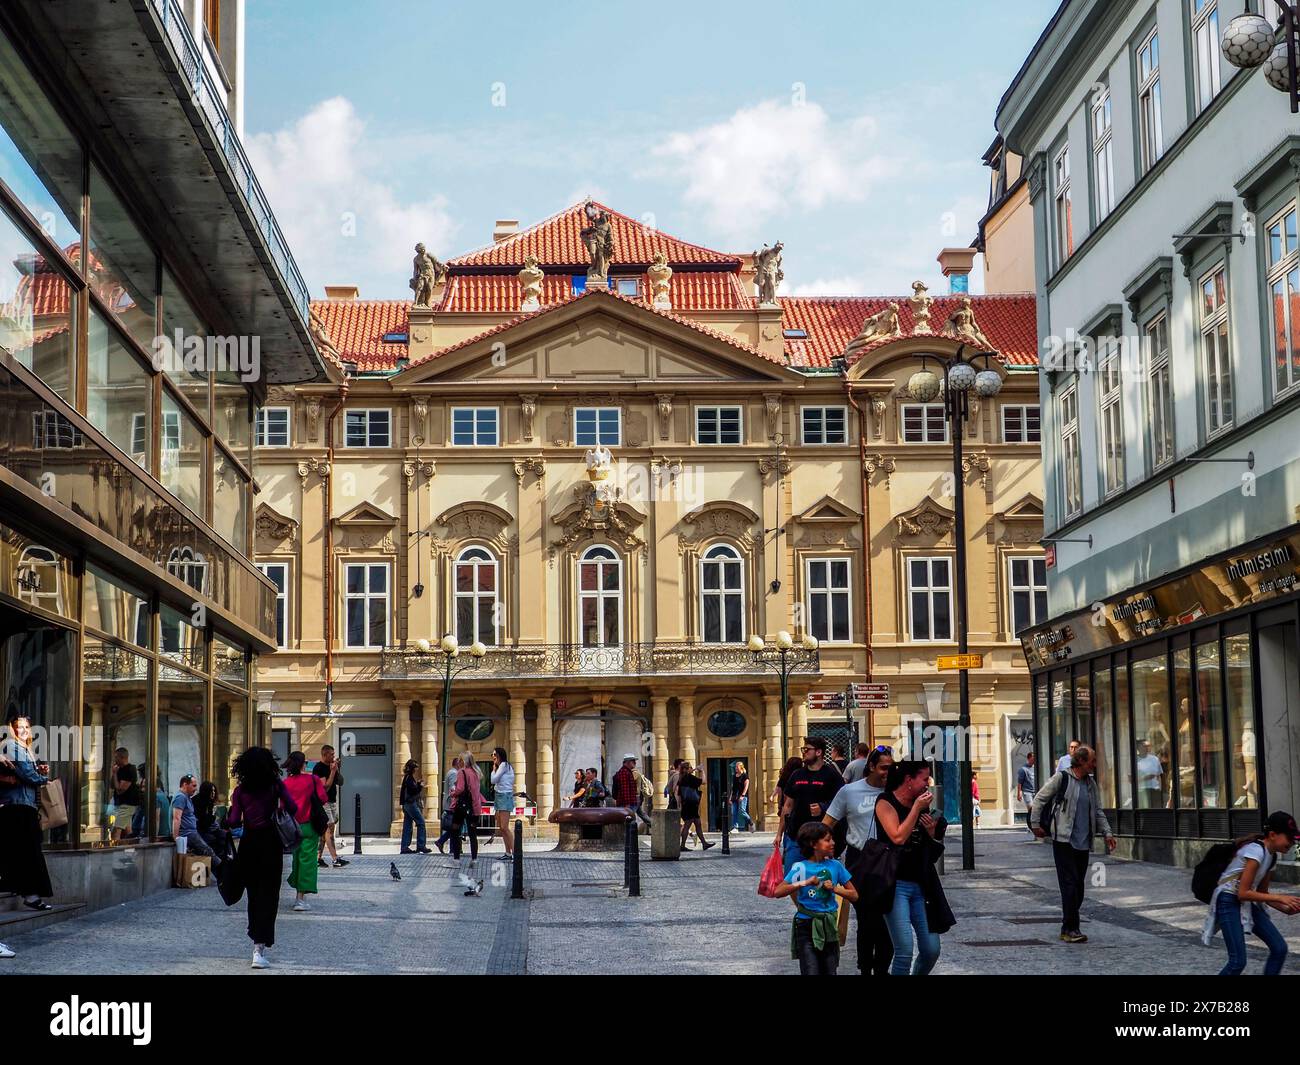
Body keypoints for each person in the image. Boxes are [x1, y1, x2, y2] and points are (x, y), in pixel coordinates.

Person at [1031, 744, 1117, 944]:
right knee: (1069, 885)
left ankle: (1067, 926)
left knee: (1078, 887)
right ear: (1081, 761)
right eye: (1092, 761)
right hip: (1063, 840)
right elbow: (1039, 800)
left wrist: (1107, 833)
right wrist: (1035, 825)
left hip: (1083, 842)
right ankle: (1071, 928)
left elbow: (1097, 811)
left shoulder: (1090, 784)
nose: (1095, 764)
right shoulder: (1062, 778)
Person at [875, 760, 952, 976]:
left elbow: (931, 852)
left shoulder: (924, 806)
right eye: (924, 779)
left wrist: (931, 834)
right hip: (895, 883)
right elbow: (897, 836)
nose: (927, 784)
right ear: (909, 780)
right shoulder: (885, 801)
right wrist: (916, 809)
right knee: (904, 949)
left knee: (931, 949)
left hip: (922, 883)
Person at [823, 744, 894, 975]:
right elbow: (827, 824)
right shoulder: (849, 792)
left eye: (890, 768)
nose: (887, 772)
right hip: (859, 860)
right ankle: (865, 967)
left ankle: (881, 968)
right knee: (866, 920)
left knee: (887, 921)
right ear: (871, 766)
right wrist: (821, 854)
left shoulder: (894, 792)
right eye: (883, 768)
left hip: (888, 860)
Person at [1202, 811, 1300, 975]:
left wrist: (1287, 908)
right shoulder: (1255, 852)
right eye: (1289, 838)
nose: (1292, 843)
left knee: (1279, 948)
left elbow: (1263, 894)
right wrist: (1280, 897)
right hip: (1228, 899)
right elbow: (1243, 893)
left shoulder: (1271, 857)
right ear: (1273, 835)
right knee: (1237, 962)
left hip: (1243, 901)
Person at [225, 747, 297, 968]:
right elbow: (293, 808)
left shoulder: (241, 791)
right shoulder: (275, 786)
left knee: (254, 894)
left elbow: (234, 820)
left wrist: (232, 815)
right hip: (271, 844)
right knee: (270, 894)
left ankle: (254, 937)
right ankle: (260, 947)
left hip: (249, 845)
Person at [771, 822, 857, 975]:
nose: (833, 843)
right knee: (810, 970)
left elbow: (854, 895)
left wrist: (835, 889)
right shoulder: (800, 867)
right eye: (828, 840)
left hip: (829, 925)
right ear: (813, 844)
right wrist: (805, 882)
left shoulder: (836, 866)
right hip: (805, 925)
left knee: (830, 971)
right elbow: (778, 891)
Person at [0, 714, 54, 921]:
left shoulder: (24, 748)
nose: (23, 730)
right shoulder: (12, 746)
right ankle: (30, 894)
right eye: (19, 727)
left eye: (26, 727)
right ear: (12, 729)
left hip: (23, 804)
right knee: (27, 851)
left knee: (23, 851)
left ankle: (27, 892)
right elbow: (26, 775)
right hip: (17, 806)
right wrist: (43, 778)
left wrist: (39, 771)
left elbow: (27, 772)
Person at [774, 738, 843, 874]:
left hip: (820, 837)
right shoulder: (796, 775)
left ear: (818, 752)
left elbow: (841, 803)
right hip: (795, 836)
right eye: (803, 749)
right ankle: (800, 897)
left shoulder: (831, 775)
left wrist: (823, 807)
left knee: (820, 878)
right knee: (791, 877)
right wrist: (779, 834)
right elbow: (787, 806)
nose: (804, 752)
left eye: (807, 749)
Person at [281, 751, 327, 913]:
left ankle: (298, 891)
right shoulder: (312, 780)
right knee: (307, 860)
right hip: (309, 825)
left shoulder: (285, 783)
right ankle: (300, 898)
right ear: (303, 764)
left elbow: (282, 806)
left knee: (297, 859)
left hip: (292, 827)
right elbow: (323, 798)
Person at [170, 774, 219, 868]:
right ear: (185, 784)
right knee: (208, 852)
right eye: (194, 786)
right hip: (187, 833)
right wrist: (176, 838)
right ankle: (224, 870)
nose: (196, 789)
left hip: (191, 832)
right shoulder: (180, 797)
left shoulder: (187, 798)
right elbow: (176, 818)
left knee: (207, 851)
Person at [312, 745, 348, 869]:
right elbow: (325, 787)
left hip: (332, 801)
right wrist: (332, 772)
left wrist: (337, 769)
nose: (333, 756)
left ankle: (318, 858)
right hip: (324, 803)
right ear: (324, 755)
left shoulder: (331, 766)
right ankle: (335, 859)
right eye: (331, 754)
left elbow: (341, 782)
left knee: (324, 833)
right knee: (329, 830)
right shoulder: (319, 768)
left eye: (333, 754)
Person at [448, 752, 483, 863]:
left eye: (459, 760)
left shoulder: (461, 772)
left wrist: (453, 793)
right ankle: (474, 859)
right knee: (473, 834)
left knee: (455, 830)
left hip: (462, 807)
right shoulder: (476, 773)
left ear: (463, 761)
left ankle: (456, 859)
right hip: (475, 807)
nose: (458, 762)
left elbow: (460, 789)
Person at [677, 762, 713, 850]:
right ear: (686, 769)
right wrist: (701, 770)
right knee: (688, 825)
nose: (691, 768)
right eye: (690, 767)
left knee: (698, 824)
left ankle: (704, 843)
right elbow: (703, 781)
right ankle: (682, 845)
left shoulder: (681, 779)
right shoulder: (689, 778)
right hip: (691, 805)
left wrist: (679, 806)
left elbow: (678, 794)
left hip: (686, 805)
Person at [399, 759, 430, 855]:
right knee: (421, 822)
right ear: (413, 768)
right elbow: (413, 791)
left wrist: (417, 784)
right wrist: (420, 786)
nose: (417, 769)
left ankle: (404, 847)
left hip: (406, 804)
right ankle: (421, 846)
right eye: (416, 767)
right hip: (410, 804)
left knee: (407, 826)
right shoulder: (409, 778)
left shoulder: (407, 777)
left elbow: (410, 789)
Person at [490, 747, 516, 860]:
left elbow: (493, 780)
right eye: (492, 754)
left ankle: (516, 853)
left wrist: (493, 770)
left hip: (504, 796)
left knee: (505, 827)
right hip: (500, 796)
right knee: (501, 827)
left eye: (494, 754)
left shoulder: (504, 765)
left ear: (500, 755)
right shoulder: (501, 766)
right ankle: (508, 853)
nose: (493, 756)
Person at [433, 756, 463, 854]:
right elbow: (453, 788)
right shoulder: (454, 773)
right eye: (461, 763)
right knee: (454, 827)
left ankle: (449, 846)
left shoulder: (451, 772)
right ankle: (446, 844)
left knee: (453, 827)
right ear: (458, 764)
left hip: (450, 804)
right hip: (452, 804)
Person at [110, 747, 140, 841]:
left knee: (116, 831)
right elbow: (112, 785)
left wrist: (114, 774)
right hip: (121, 804)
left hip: (127, 804)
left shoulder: (129, 770)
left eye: (116, 757)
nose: (115, 760)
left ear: (122, 757)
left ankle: (115, 853)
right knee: (128, 831)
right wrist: (114, 773)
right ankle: (130, 852)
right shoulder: (120, 769)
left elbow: (119, 789)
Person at [613, 754, 650, 829]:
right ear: (628, 762)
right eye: (633, 761)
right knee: (630, 821)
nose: (635, 763)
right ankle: (629, 838)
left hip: (632, 801)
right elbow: (625, 789)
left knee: (636, 817)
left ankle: (654, 827)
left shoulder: (628, 772)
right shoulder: (624, 772)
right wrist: (627, 805)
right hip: (628, 803)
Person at [1136, 740, 1163, 809]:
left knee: (1157, 812)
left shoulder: (1155, 759)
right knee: (1145, 813)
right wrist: (1145, 778)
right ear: (1138, 748)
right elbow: (1130, 780)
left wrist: (1160, 789)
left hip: (1155, 790)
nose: (1146, 748)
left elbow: (1159, 775)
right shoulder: (1134, 760)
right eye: (1143, 746)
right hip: (1142, 791)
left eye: (1147, 746)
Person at [1016, 752, 1037, 837]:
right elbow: (1020, 782)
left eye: (1034, 759)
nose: (1034, 761)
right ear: (1028, 759)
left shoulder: (1037, 767)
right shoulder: (1023, 769)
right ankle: (1030, 825)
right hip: (1027, 792)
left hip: (1036, 791)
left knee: (1036, 809)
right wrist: (1019, 793)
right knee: (1031, 809)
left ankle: (1034, 825)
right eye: (1032, 759)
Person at [731, 761, 754, 833]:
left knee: (742, 811)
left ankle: (751, 822)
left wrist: (743, 795)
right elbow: (733, 788)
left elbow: (746, 786)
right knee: (734, 812)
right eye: (735, 767)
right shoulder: (734, 776)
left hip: (742, 796)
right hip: (735, 796)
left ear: (741, 767)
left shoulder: (745, 776)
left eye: (737, 767)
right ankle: (735, 827)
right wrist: (730, 798)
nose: (735, 768)